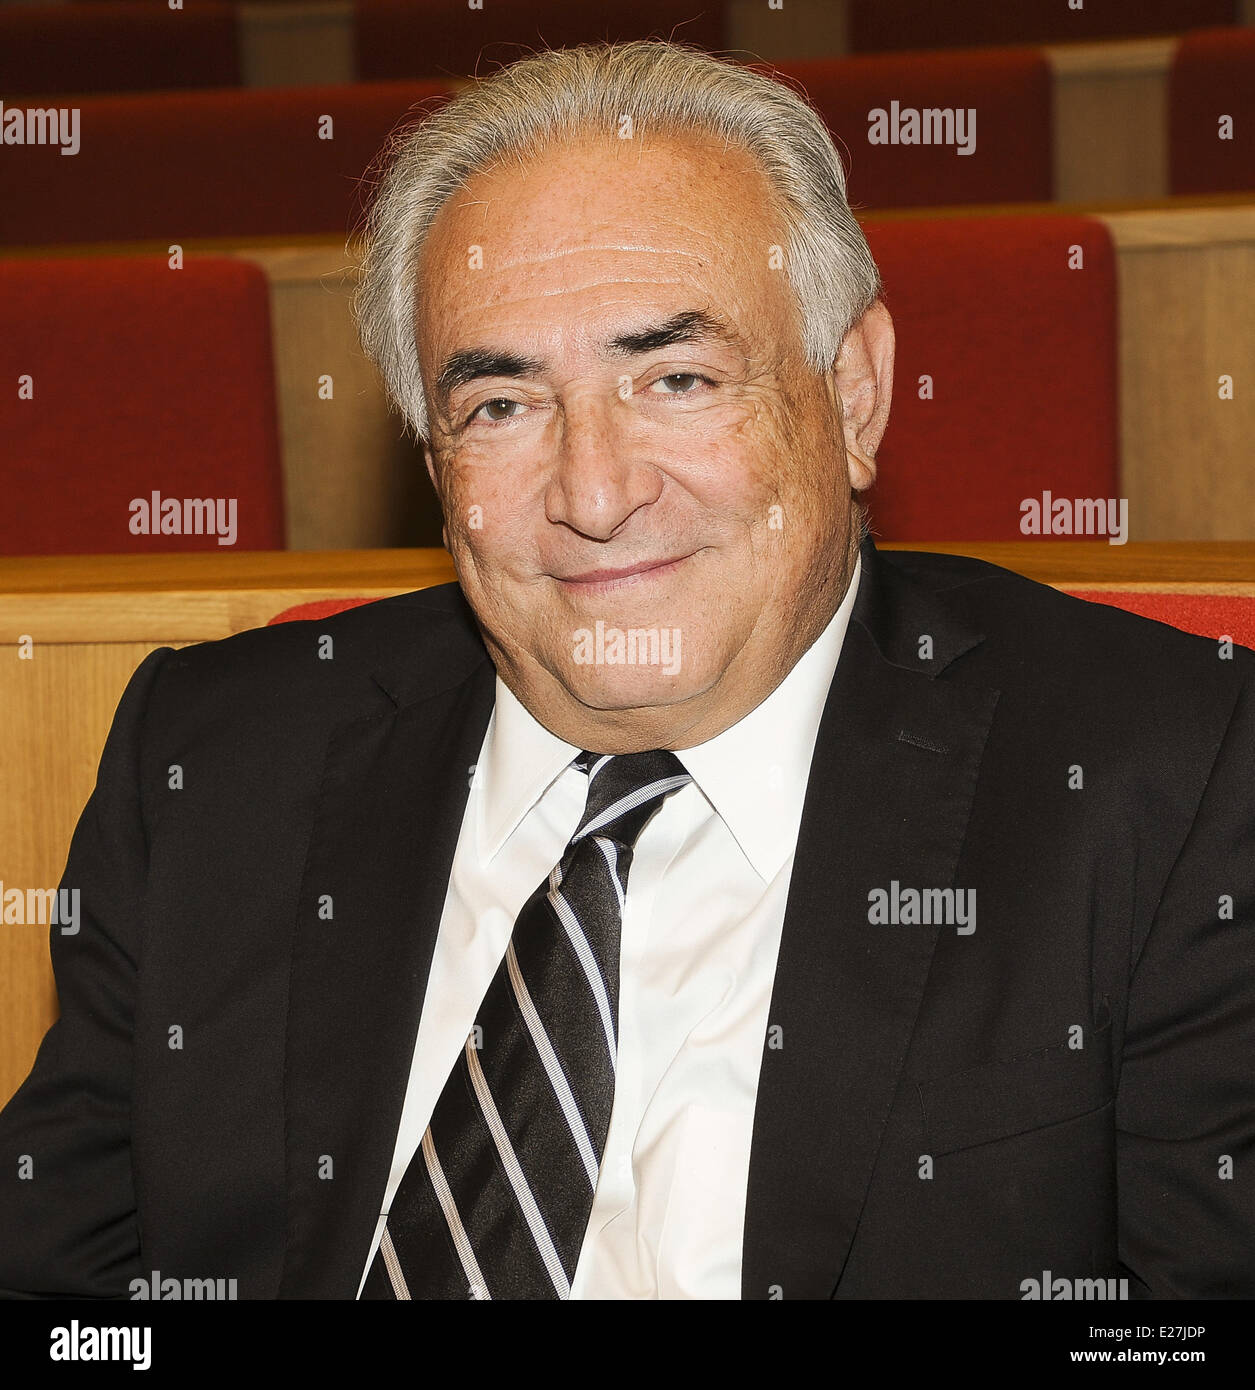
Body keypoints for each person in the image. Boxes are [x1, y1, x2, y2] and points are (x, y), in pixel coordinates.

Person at [1, 39, 1252, 1301]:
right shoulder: (214, 765)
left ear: (855, 395)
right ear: (434, 463)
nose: (594, 494)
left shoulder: (1165, 780)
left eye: (676, 378)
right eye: (500, 405)